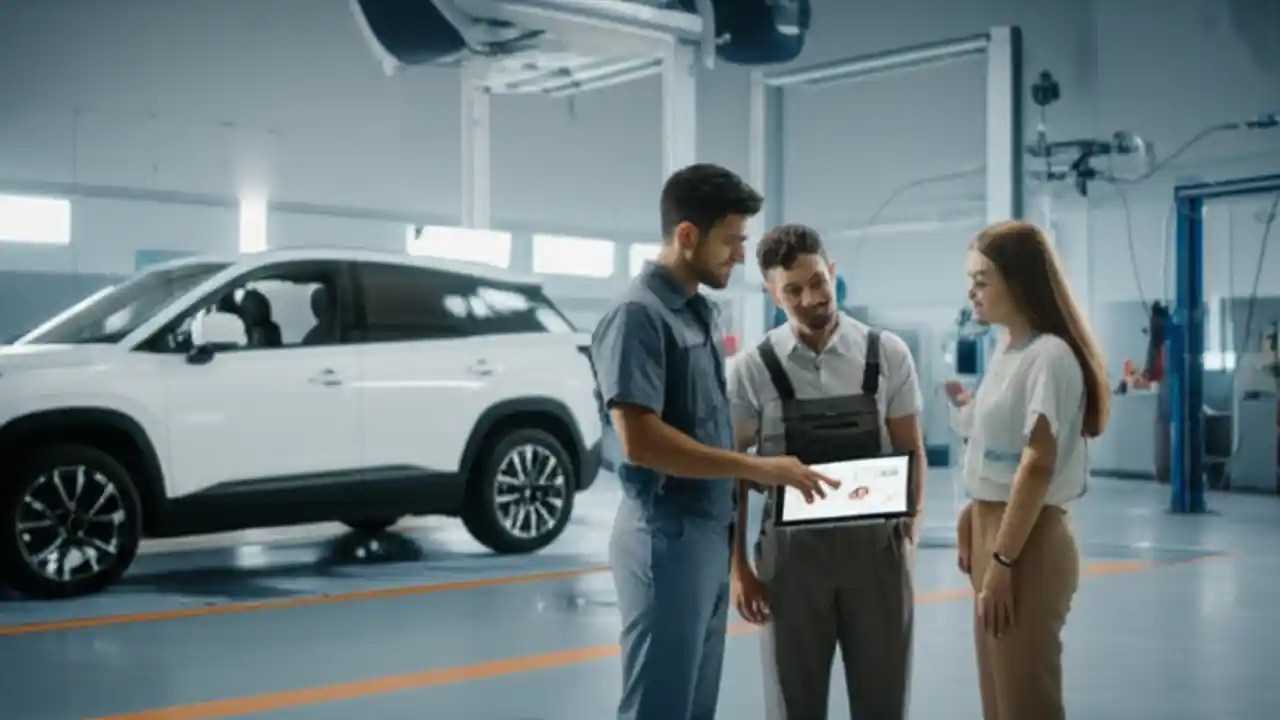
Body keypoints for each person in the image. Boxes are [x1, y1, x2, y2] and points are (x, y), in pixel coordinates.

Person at [590, 164, 841, 720]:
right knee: (659, 706)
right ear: (687, 236)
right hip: (665, 534)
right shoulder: (638, 316)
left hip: (704, 535)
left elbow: (707, 425)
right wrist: (757, 469)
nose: (737, 255)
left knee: (693, 707)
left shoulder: (701, 314)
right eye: (730, 241)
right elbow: (641, 440)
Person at [727, 223, 927, 720]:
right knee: (795, 703)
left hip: (876, 551)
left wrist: (909, 535)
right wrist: (740, 571)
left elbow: (912, 451)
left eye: (818, 281)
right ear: (774, 294)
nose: (811, 297)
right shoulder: (753, 368)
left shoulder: (887, 354)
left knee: (883, 701)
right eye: (793, 290)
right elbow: (732, 473)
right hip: (791, 560)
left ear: (832, 271)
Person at [945, 219, 1109, 720]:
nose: (971, 291)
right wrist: (972, 519)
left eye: (982, 279)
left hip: (1026, 541)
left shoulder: (1050, 356)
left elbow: (1037, 465)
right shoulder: (1009, 349)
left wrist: (1003, 561)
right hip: (994, 528)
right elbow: (998, 449)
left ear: (1018, 281)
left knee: (1025, 702)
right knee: (997, 699)